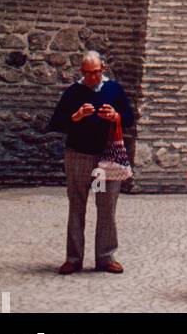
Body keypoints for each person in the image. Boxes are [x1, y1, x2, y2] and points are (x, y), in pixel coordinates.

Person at [47, 50, 135, 276]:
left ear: (103, 69)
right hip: (78, 154)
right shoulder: (74, 92)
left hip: (107, 156)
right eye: (88, 73)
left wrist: (115, 116)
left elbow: (129, 118)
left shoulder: (114, 89)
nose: (93, 77)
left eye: (96, 73)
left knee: (107, 206)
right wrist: (75, 117)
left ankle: (106, 257)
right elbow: (56, 122)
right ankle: (73, 258)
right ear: (81, 71)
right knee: (77, 205)